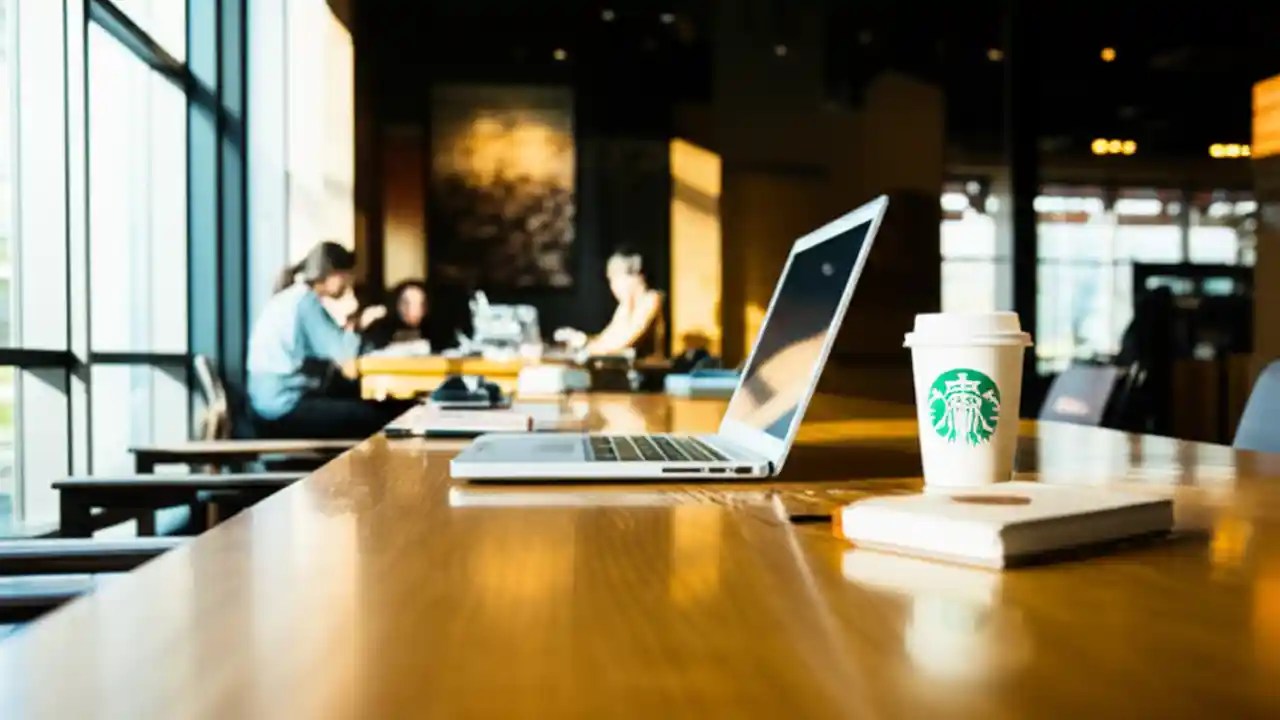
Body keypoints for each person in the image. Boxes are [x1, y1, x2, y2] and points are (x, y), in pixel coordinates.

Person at [247, 242, 411, 439]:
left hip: (269, 401)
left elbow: (329, 343)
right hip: (283, 406)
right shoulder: (305, 303)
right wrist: (356, 323)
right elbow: (347, 358)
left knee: (365, 404)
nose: (349, 284)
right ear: (332, 274)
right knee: (375, 417)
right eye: (347, 276)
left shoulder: (292, 297)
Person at [556, 248, 665, 357]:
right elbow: (606, 339)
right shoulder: (625, 306)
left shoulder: (652, 299)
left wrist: (585, 344)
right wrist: (580, 338)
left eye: (615, 278)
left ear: (634, 276)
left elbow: (624, 343)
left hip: (648, 372)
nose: (613, 286)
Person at [362, 280, 430, 351]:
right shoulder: (380, 332)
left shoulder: (433, 333)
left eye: (418, 304)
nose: (412, 308)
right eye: (406, 303)